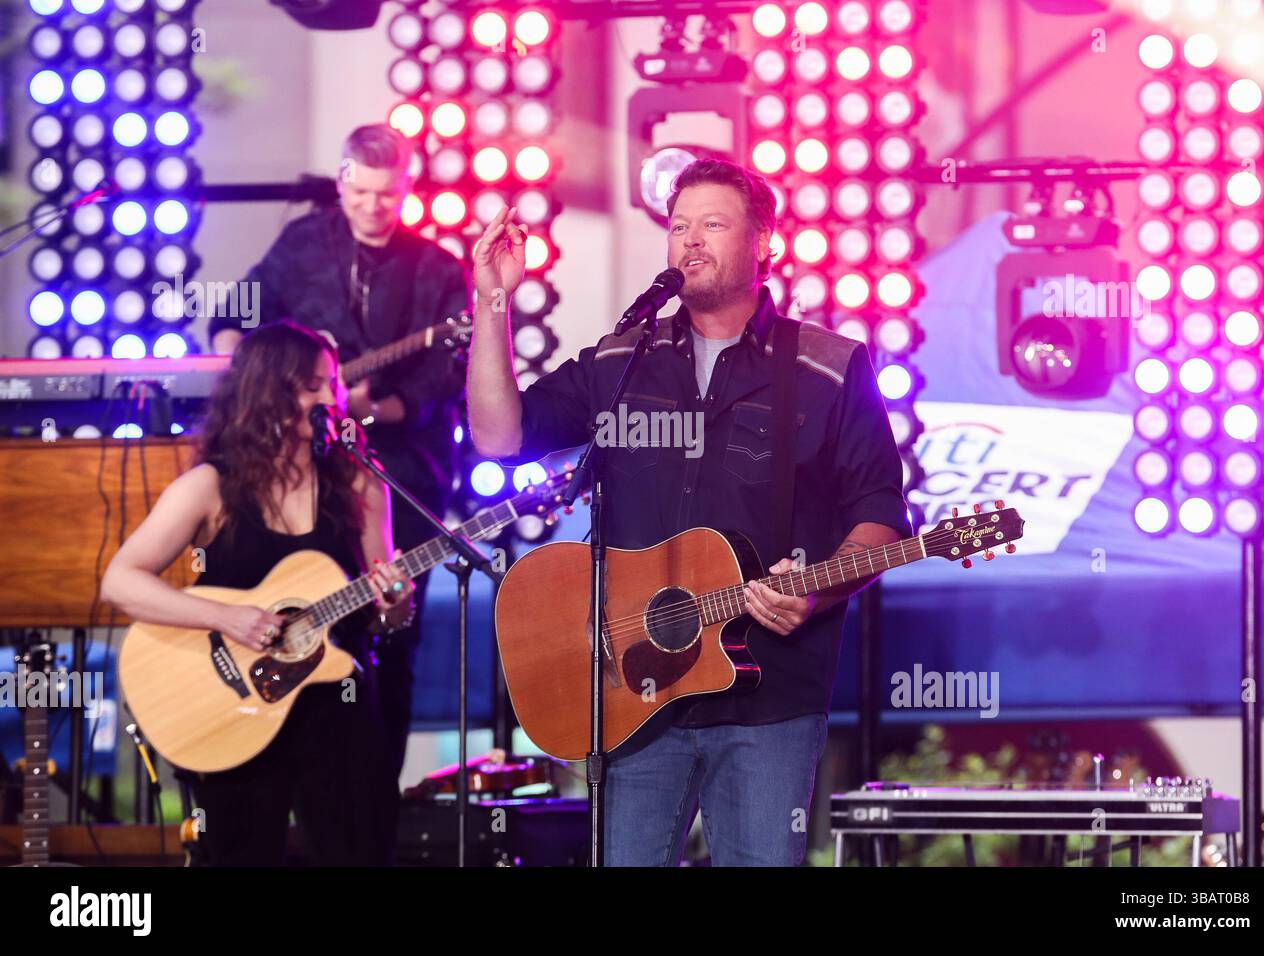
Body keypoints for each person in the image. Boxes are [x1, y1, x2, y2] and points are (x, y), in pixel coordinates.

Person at [466, 158, 912, 866]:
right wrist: (492, 301)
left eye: (712, 224)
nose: (690, 241)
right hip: (628, 690)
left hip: (770, 696)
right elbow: (500, 435)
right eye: (679, 227)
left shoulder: (827, 366)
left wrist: (820, 586)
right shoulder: (623, 360)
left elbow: (881, 513)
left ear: (763, 241)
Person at [209, 124, 469, 776]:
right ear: (342, 180)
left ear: (408, 188)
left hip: (402, 471)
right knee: (295, 616)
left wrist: (375, 408)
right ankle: (278, 768)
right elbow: (249, 298)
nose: (372, 206)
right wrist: (226, 340)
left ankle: (373, 788)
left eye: (388, 194)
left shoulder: (439, 270)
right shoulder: (303, 241)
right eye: (361, 191)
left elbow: (447, 378)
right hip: (302, 471)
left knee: (389, 627)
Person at [102, 322, 412, 866]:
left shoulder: (361, 481)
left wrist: (397, 605)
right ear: (267, 389)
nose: (329, 398)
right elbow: (121, 580)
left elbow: (384, 613)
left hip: (334, 702)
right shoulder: (210, 487)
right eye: (311, 385)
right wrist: (227, 618)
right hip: (231, 704)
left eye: (331, 385)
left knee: (362, 851)